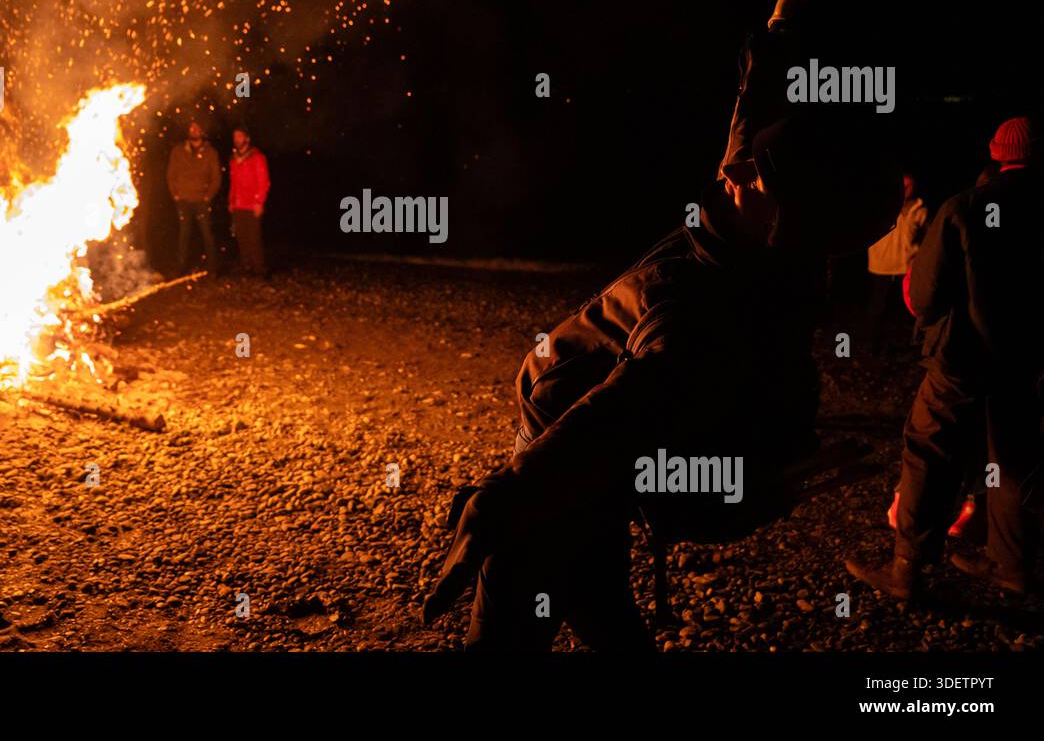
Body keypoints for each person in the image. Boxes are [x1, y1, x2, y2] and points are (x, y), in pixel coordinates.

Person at [424, 115, 900, 650]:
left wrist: (504, 495)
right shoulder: (769, 241)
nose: (734, 169)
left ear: (788, 217)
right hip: (591, 476)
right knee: (598, 596)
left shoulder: (699, 309)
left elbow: (619, 413)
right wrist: (780, 35)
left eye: (757, 174)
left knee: (514, 622)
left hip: (566, 467)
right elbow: (755, 140)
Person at [848, 117, 1043, 598]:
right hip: (1028, 359)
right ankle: (1012, 566)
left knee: (929, 453)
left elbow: (926, 296)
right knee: (1013, 457)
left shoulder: (966, 208)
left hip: (962, 356)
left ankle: (907, 571)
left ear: (996, 153)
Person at [864, 174, 928, 349]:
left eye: (909, 185)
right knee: (878, 306)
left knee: (907, 309)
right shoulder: (880, 207)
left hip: (907, 267)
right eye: (903, 185)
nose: (906, 189)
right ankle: (872, 345)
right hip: (881, 265)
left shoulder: (920, 209)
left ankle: (909, 346)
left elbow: (926, 240)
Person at [166, 120, 222, 276]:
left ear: (202, 132)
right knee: (184, 235)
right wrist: (175, 193)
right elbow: (171, 174)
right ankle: (181, 267)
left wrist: (208, 196)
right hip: (183, 200)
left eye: (197, 128)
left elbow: (216, 178)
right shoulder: (178, 151)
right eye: (191, 128)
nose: (194, 131)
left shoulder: (210, 153)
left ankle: (213, 268)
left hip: (201, 201)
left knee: (207, 234)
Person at [228, 125, 270, 277]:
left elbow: (263, 181)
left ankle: (259, 269)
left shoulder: (257, 157)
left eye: (239, 136)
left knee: (254, 238)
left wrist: (259, 202)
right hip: (238, 204)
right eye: (235, 137)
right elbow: (233, 182)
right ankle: (246, 267)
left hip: (252, 205)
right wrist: (231, 200)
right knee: (241, 237)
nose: (236, 139)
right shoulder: (233, 159)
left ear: (247, 138)